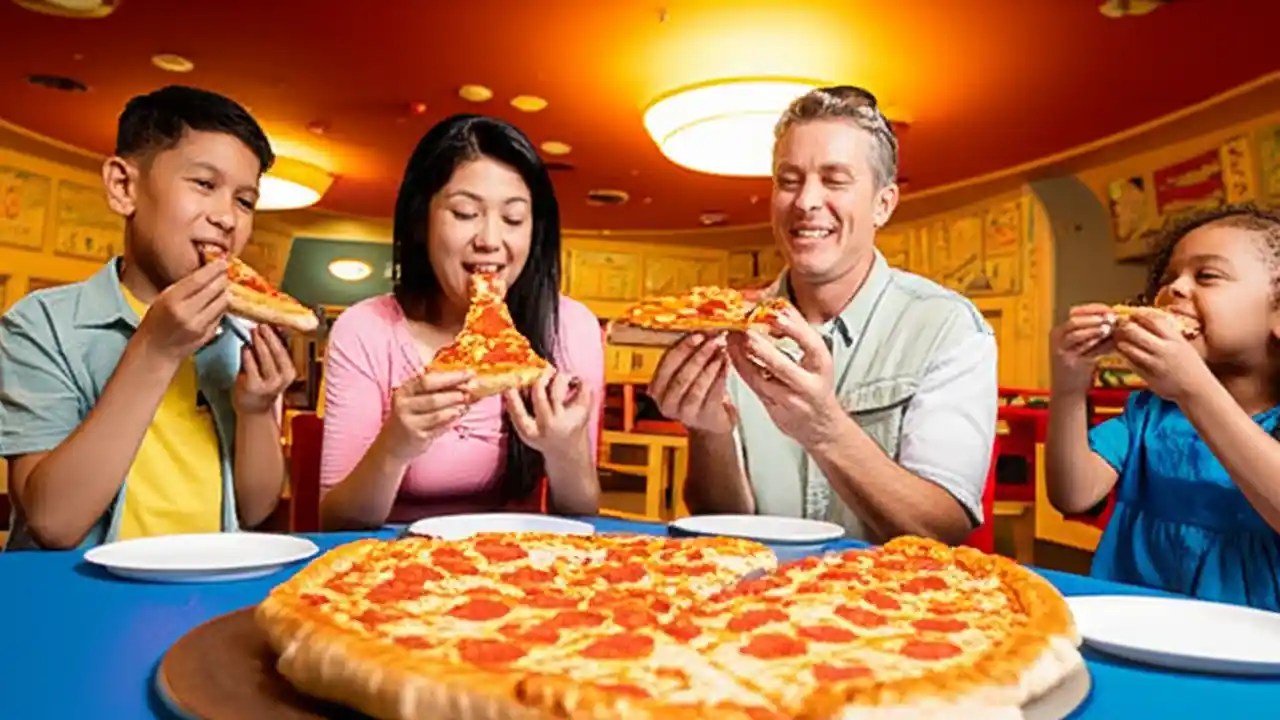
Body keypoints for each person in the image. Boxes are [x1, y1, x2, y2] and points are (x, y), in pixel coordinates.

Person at [649, 86, 997, 544]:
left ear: (883, 205)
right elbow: (721, 518)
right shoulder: (731, 326)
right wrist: (708, 432)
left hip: (896, 603)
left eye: (834, 180)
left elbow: (942, 529)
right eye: (789, 180)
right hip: (759, 597)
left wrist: (824, 430)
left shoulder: (949, 328)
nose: (805, 201)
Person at [0, 85, 294, 550]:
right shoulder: (40, 326)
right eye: (204, 184)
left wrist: (257, 410)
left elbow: (256, 509)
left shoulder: (242, 334)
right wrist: (155, 349)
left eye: (245, 200)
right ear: (124, 187)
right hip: (81, 601)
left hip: (207, 588)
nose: (226, 217)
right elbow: (53, 522)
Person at [318, 114, 602, 529]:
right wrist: (395, 446)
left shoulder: (572, 326)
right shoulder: (365, 329)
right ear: (420, 222)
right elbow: (336, 521)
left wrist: (565, 452)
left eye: (513, 218)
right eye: (465, 213)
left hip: (519, 568)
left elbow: (582, 514)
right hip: (387, 572)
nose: (490, 239)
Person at [1046, 203, 1280, 611]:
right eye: (1170, 277)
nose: (1175, 289)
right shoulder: (1148, 411)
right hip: (1133, 616)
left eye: (1207, 275)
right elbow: (1073, 495)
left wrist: (1195, 390)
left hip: (1254, 642)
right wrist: (1069, 385)